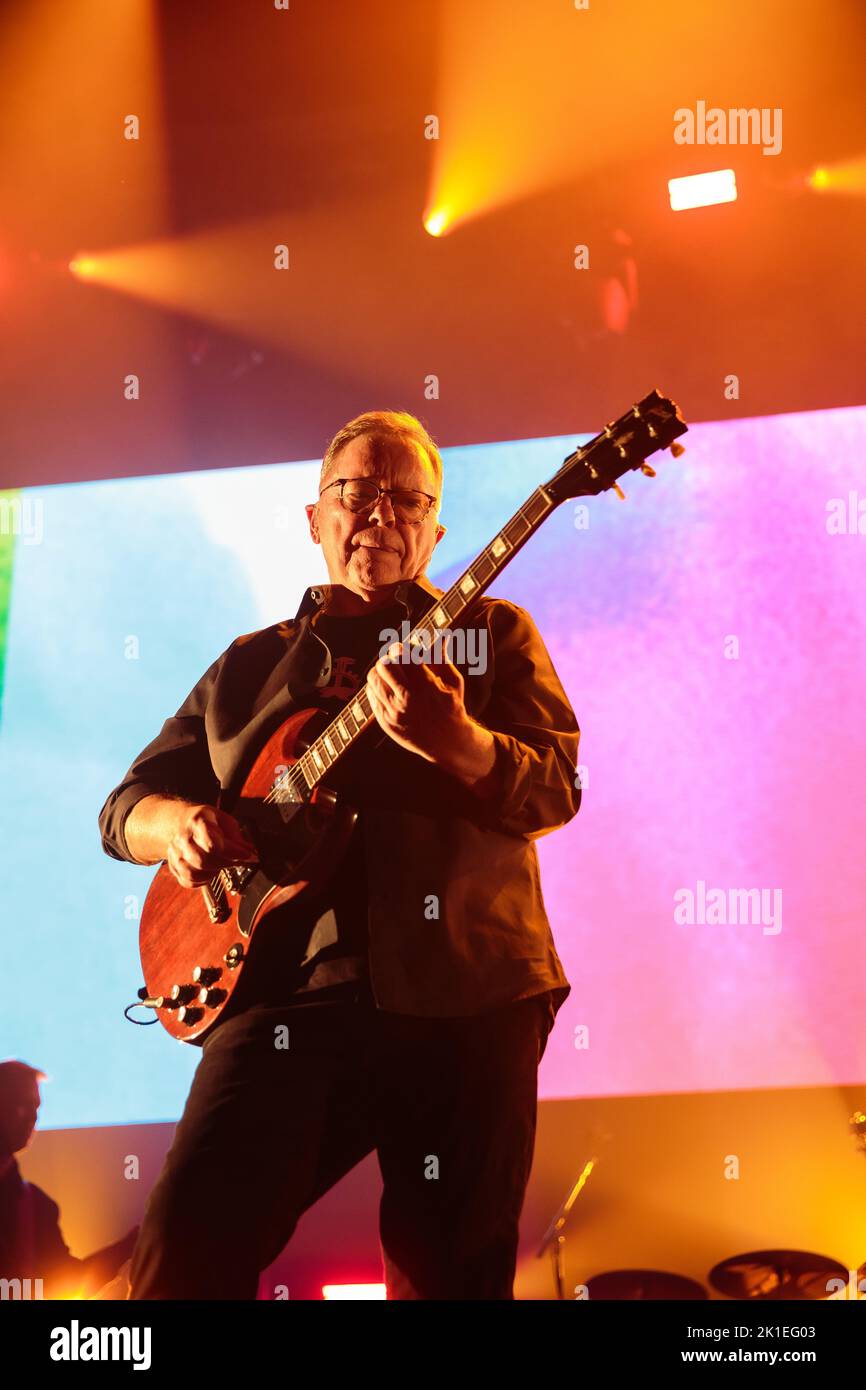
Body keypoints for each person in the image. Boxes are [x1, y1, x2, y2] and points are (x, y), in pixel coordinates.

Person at [98, 409, 581, 1300]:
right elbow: (122, 809)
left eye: (409, 500)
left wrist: (462, 743)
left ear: (437, 531)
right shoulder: (246, 668)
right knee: (181, 1254)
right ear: (314, 519)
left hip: (466, 995)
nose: (382, 515)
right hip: (283, 993)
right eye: (357, 494)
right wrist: (179, 827)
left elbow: (555, 788)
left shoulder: (493, 635)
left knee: (451, 1278)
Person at [0, 1059, 138, 1299]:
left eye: (36, 1107)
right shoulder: (35, 1205)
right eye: (22, 1104)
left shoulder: (37, 1206)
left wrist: (135, 1242)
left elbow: (67, 1279)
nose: (34, 1117)